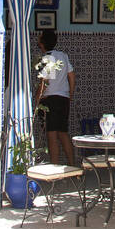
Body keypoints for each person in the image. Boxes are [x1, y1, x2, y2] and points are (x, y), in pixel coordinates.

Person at [36, 30, 76, 165]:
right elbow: (71, 75)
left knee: (51, 136)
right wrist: (70, 93)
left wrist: (37, 102)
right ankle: (72, 166)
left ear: (42, 43)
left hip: (50, 100)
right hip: (63, 99)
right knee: (63, 133)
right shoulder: (63, 56)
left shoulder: (46, 59)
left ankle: (55, 168)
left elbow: (43, 83)